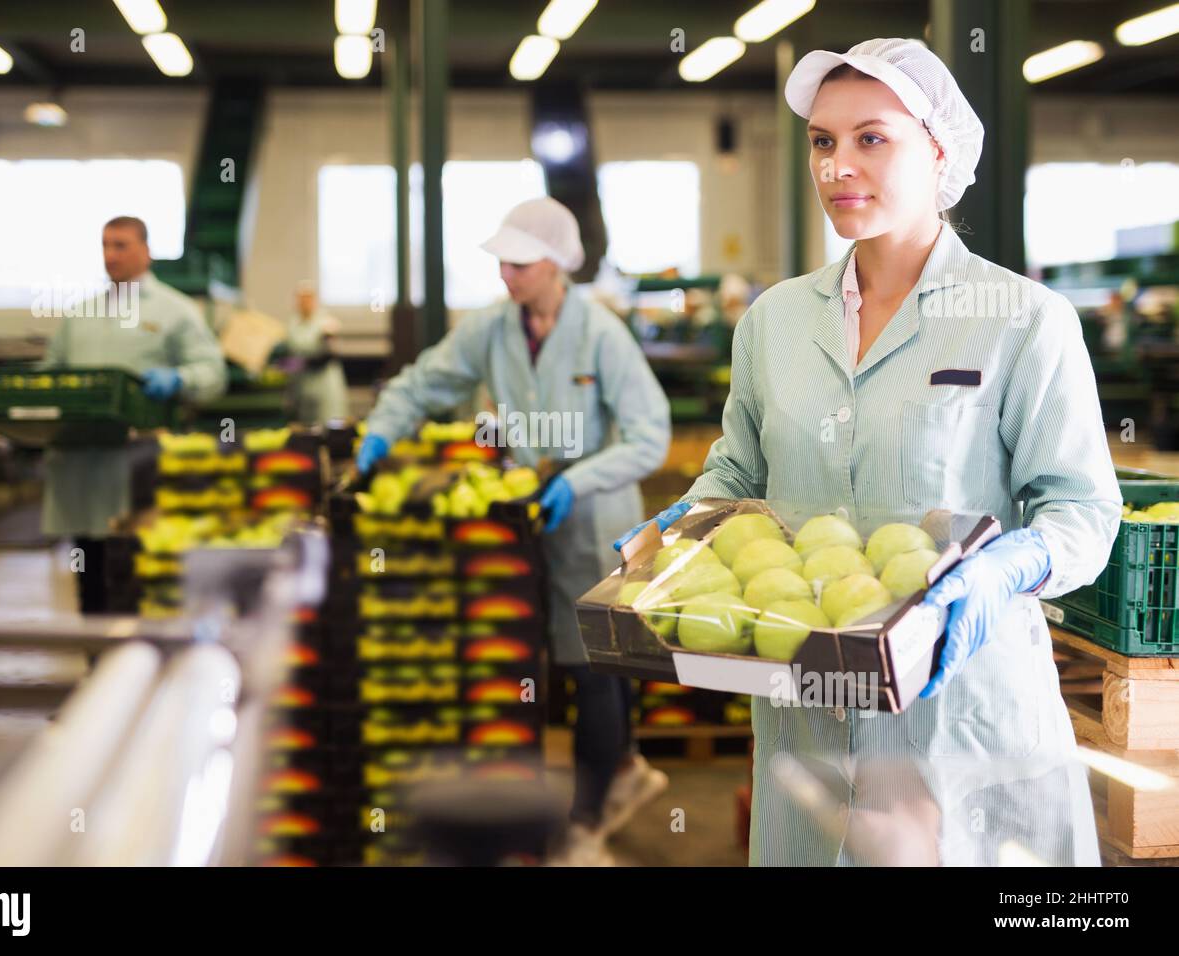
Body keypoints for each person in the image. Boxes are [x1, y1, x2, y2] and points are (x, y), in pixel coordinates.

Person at [616, 39, 1121, 866]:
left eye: (871, 138)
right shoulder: (774, 323)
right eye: (823, 141)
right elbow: (740, 471)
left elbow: (1083, 511)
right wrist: (689, 523)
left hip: (960, 715)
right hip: (804, 705)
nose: (838, 165)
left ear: (940, 150)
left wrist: (1010, 566)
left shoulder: (1021, 319)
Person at [356, 197, 673, 865]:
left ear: (556, 265)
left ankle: (586, 822)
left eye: (519, 263)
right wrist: (384, 425)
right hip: (534, 521)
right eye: (501, 261)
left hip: (599, 523)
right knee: (573, 665)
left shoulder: (601, 335)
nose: (505, 273)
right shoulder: (492, 329)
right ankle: (624, 772)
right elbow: (423, 383)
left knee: (596, 669)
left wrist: (576, 482)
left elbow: (651, 437)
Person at [41, 216, 226, 613]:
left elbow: (214, 372)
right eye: (105, 245)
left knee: (145, 578)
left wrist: (179, 378)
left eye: (121, 245)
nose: (110, 255)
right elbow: (51, 372)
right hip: (84, 469)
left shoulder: (176, 311)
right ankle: (98, 664)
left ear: (146, 250)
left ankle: (144, 663)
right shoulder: (80, 314)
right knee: (91, 578)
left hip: (143, 468)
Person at [285, 281, 349, 424]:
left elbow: (330, 352)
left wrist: (306, 362)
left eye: (308, 298)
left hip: (324, 384)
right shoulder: (293, 324)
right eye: (301, 299)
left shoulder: (326, 323)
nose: (304, 302)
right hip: (304, 385)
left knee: (330, 423)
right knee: (307, 427)